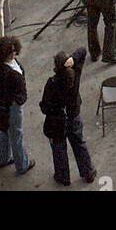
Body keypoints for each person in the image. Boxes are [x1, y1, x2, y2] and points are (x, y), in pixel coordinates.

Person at [39, 48, 97, 185]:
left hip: (57, 121)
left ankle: (63, 176)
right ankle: (87, 171)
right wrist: (72, 59)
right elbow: (82, 51)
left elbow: (45, 107)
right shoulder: (75, 74)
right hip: (73, 115)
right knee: (79, 143)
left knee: (59, 149)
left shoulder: (52, 83)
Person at [0, 36, 35, 176]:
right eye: (12, 51)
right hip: (12, 107)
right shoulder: (9, 73)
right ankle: (22, 165)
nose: (14, 53)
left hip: (2, 106)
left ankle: (1, 159)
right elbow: (20, 92)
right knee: (16, 134)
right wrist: (17, 101)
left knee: (4, 131)